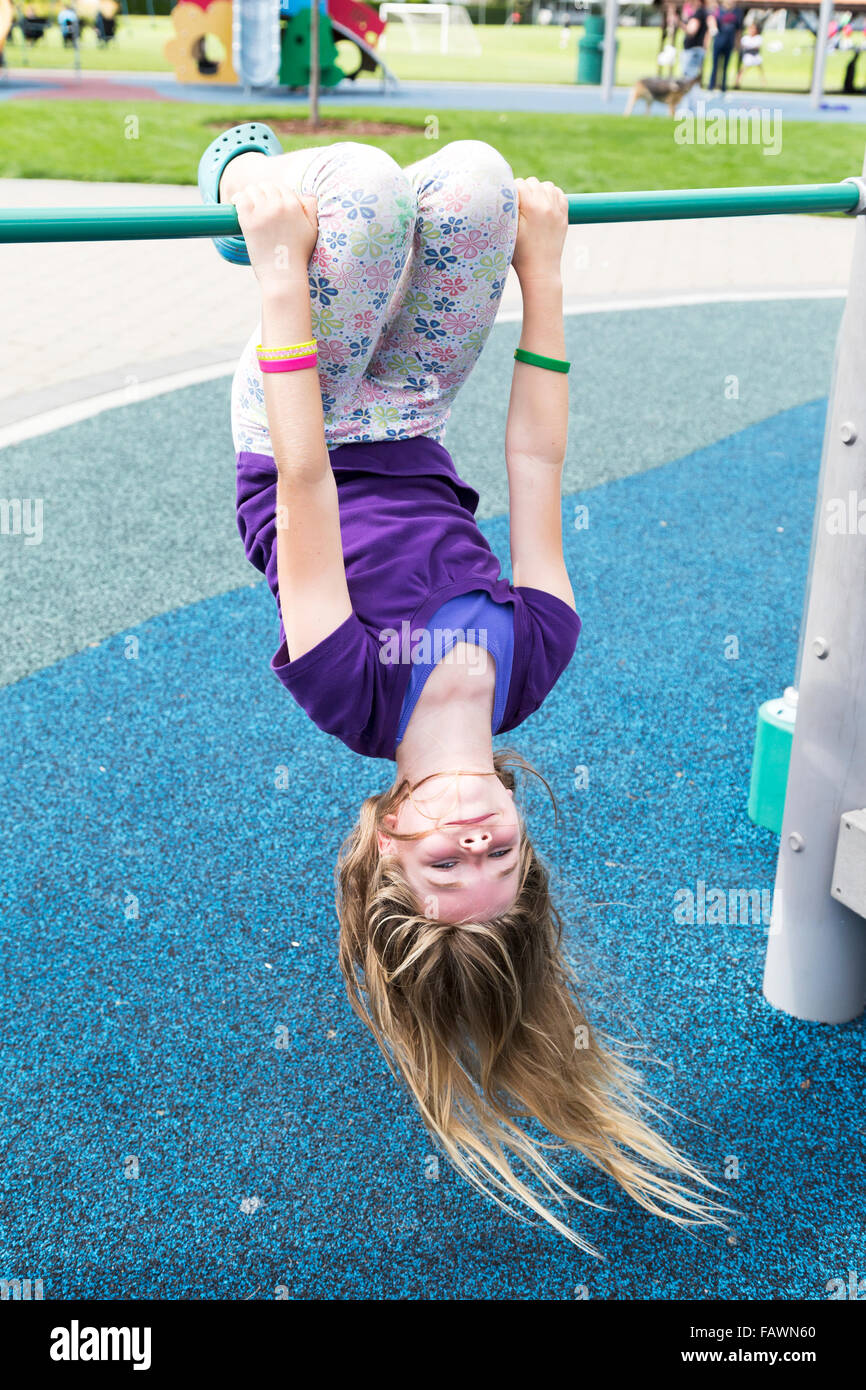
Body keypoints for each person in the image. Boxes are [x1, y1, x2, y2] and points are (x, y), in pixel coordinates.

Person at [199, 125, 731, 1249]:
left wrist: (279, 273)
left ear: (386, 842)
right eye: (502, 858)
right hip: (409, 421)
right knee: (483, 184)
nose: (477, 837)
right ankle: (360, 237)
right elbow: (535, 465)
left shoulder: (350, 693)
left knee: (355, 198)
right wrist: (543, 276)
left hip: (306, 424)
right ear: (527, 846)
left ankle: (235, 172)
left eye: (447, 861)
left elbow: (302, 480)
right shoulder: (533, 660)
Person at [678, 1, 717, 109]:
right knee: (693, 80)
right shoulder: (704, 12)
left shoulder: (699, 13)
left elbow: (691, 31)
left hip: (692, 50)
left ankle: (689, 108)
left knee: (689, 81)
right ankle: (692, 107)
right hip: (698, 50)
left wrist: (678, 23)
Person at [709, 1, 741, 93]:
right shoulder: (718, 11)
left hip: (729, 43)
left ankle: (723, 86)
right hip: (718, 42)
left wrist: (737, 44)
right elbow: (711, 22)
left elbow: (738, 30)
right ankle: (711, 85)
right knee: (715, 65)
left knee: (725, 67)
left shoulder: (737, 12)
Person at [736, 20, 765, 86]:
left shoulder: (758, 38)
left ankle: (763, 82)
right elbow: (743, 46)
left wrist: (750, 46)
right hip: (748, 55)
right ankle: (738, 81)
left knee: (760, 69)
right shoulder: (745, 38)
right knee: (743, 69)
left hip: (755, 55)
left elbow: (757, 46)